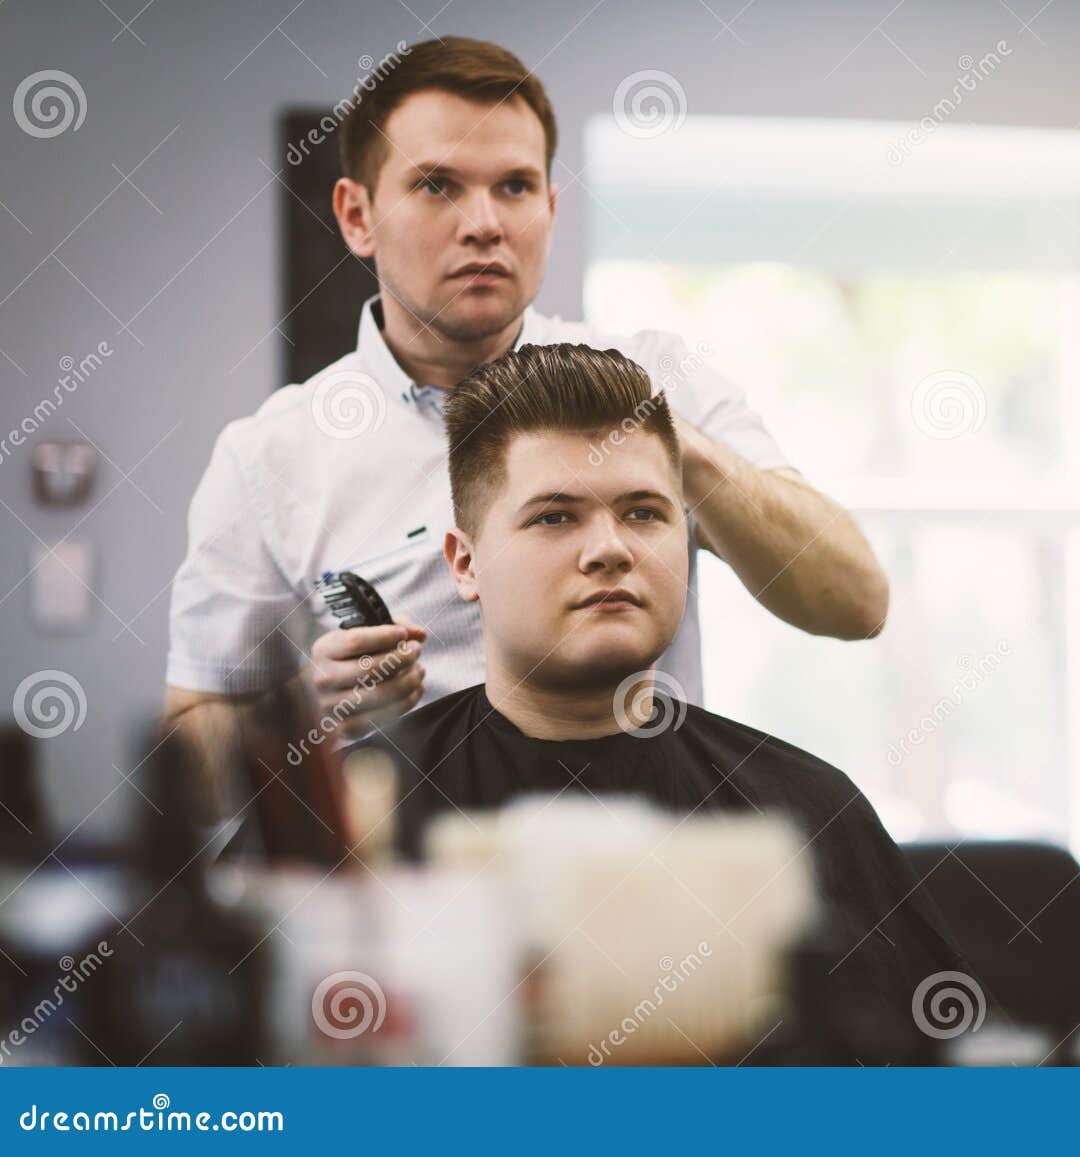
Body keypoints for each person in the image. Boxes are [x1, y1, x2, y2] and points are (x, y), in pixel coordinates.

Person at [162, 36, 888, 789]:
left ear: (549, 204)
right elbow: (183, 775)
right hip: (404, 883)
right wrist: (304, 707)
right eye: (438, 185)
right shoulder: (269, 458)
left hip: (649, 866)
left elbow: (856, 603)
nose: (484, 223)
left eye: (514, 186)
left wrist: (675, 449)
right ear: (357, 215)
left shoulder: (662, 381)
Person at [350, 342, 963, 1051]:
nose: (610, 548)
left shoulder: (805, 816)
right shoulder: (361, 815)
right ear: (465, 563)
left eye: (644, 512)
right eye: (555, 516)